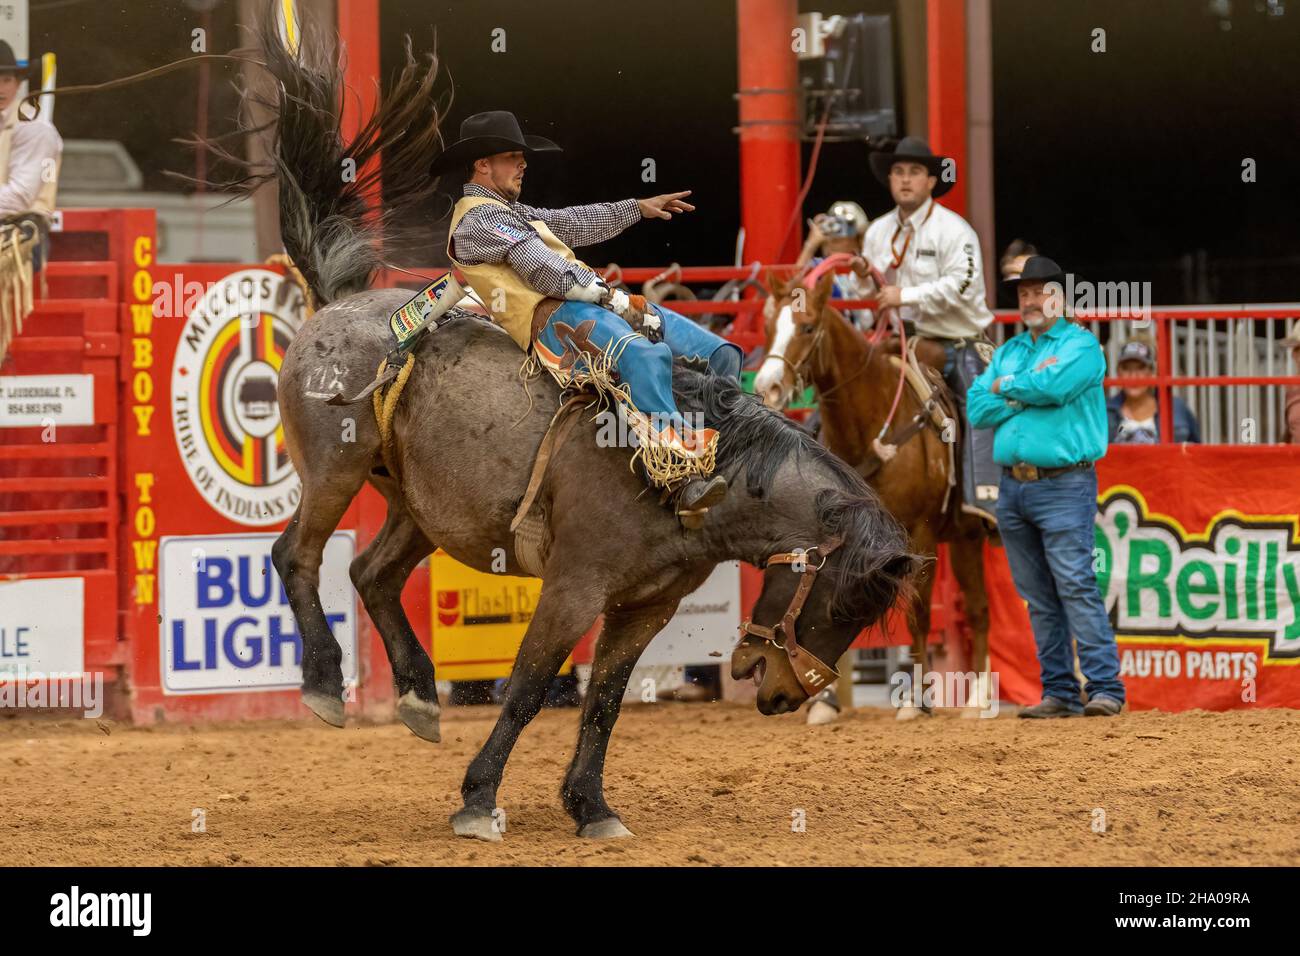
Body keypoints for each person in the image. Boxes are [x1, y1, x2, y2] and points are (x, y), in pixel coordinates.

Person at [431, 111, 742, 527]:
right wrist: (614, 301)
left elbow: (572, 222)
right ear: (482, 164)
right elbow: (543, 269)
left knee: (720, 354)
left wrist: (637, 208)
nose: (523, 163)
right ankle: (680, 478)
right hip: (558, 317)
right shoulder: (477, 220)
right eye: (512, 156)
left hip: (589, 304)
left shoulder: (508, 213)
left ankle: (731, 449)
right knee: (646, 358)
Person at [968, 256, 1126, 718]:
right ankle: (1060, 690)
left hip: (1063, 483)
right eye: (1024, 293)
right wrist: (1023, 392)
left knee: (1074, 584)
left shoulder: (1081, 346)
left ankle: (1104, 688)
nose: (1031, 300)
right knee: (1040, 593)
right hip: (1015, 486)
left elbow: (1054, 388)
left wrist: (1007, 389)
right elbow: (977, 408)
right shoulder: (1014, 349)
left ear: (1060, 296)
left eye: (1040, 291)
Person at [860, 137, 999, 522]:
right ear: (890, 179)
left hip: (957, 341)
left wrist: (904, 295)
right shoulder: (876, 232)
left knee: (979, 402)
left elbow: (962, 287)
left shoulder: (955, 231)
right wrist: (859, 278)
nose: (905, 180)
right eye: (898, 172)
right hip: (897, 339)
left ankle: (983, 498)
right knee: (843, 388)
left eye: (915, 172)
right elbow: (866, 291)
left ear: (931, 181)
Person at [0, 40, 61, 261]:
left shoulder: (34, 127)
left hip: (22, 232)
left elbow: (20, 197)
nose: (0, 88)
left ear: (17, 84)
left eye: (6, 80)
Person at [1107, 335, 1201, 444]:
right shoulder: (1107, 411)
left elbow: (1196, 451)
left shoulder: (1175, 407)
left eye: (1141, 368)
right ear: (1118, 373)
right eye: (1126, 368)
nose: (1133, 376)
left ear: (1152, 373)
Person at [794, 201, 873, 329]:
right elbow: (794, 292)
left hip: (861, 339)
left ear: (858, 239)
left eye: (845, 228)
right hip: (824, 337)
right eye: (832, 226)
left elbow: (873, 314)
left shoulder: (867, 267)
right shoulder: (816, 267)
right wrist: (810, 246)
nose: (835, 237)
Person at [1281, 329, 1300, 444]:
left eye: (1298, 349)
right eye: (1295, 350)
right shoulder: (1292, 386)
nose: (1294, 355)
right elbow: (1291, 427)